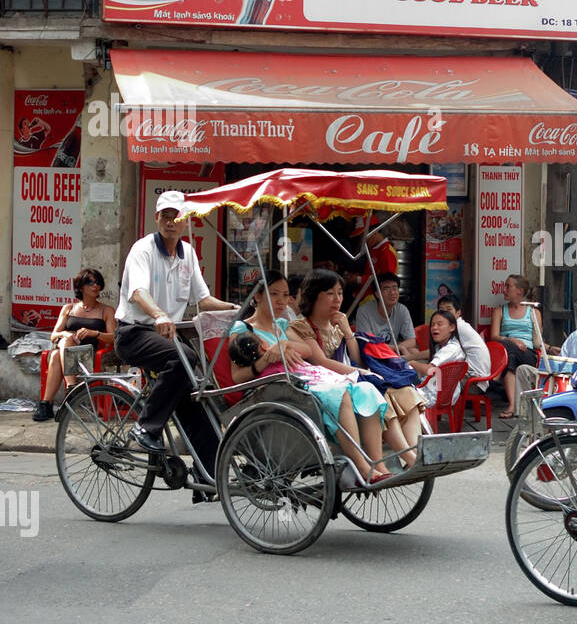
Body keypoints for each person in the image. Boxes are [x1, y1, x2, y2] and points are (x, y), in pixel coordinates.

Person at [113, 191, 237, 459]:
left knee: (198, 398)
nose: (170, 222)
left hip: (167, 336)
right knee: (184, 359)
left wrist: (236, 309)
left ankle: (209, 477)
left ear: (186, 221)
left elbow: (203, 300)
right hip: (134, 333)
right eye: (165, 216)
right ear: (157, 219)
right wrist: (159, 314)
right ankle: (146, 428)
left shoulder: (188, 254)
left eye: (176, 217)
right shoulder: (143, 250)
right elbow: (137, 292)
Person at [227, 331, 413, 484]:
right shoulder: (266, 372)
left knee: (367, 390)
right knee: (340, 394)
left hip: (328, 383)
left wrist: (284, 345)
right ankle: (362, 467)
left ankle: (378, 464)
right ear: (263, 346)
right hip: (311, 396)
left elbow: (307, 350)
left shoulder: (284, 349)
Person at [288, 270, 424, 452]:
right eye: (330, 293)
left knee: (407, 392)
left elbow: (356, 360)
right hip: (328, 385)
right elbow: (320, 361)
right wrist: (361, 372)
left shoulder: (337, 325)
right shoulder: (301, 327)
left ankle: (415, 450)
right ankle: (409, 456)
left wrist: (347, 332)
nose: (337, 299)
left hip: (352, 376)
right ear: (313, 295)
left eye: (340, 293)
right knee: (382, 394)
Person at [34, 268, 117, 421]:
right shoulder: (68, 309)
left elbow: (113, 337)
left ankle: (47, 403)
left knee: (56, 355)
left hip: (88, 356)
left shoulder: (106, 310)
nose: (95, 286)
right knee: (60, 350)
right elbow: (54, 335)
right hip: (66, 353)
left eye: (98, 282)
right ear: (80, 287)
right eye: (90, 282)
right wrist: (65, 333)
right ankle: (71, 389)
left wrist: (95, 333)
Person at [489, 274, 544, 419]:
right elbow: (493, 336)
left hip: (528, 353)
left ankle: (495, 378)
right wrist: (512, 340)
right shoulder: (500, 311)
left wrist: (549, 348)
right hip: (507, 352)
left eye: (508, 286)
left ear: (519, 291)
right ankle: (513, 405)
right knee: (510, 356)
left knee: (510, 354)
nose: (504, 289)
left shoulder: (533, 312)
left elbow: (537, 342)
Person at [409, 309, 470, 409]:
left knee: (397, 393)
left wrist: (412, 363)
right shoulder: (440, 346)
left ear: (452, 327)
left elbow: (430, 370)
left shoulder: (452, 348)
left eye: (439, 324)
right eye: (432, 325)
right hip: (435, 388)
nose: (434, 328)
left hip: (438, 395)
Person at [353, 272, 414, 345]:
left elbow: (412, 341)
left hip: (392, 353)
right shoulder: (364, 311)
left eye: (395, 288)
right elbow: (367, 344)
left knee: (413, 351)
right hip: (372, 354)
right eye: (387, 289)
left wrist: (398, 349)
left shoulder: (402, 310)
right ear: (377, 294)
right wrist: (397, 348)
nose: (392, 292)